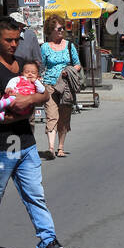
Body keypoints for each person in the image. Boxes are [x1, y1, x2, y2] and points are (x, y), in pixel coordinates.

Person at [0, 22, 82, 248]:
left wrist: (29, 99)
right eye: (8, 40)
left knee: (36, 196)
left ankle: (50, 247)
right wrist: (26, 112)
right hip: (3, 145)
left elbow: (45, 91)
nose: (13, 45)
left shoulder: (23, 63)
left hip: (26, 143)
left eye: (16, 40)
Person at [39, 15, 82, 159]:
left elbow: (77, 64)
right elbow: (42, 66)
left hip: (66, 86)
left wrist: (69, 71)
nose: (62, 30)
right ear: (51, 30)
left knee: (64, 117)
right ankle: (51, 148)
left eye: (63, 28)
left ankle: (61, 147)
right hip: (50, 85)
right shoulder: (45, 47)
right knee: (51, 115)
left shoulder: (69, 46)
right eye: (59, 28)